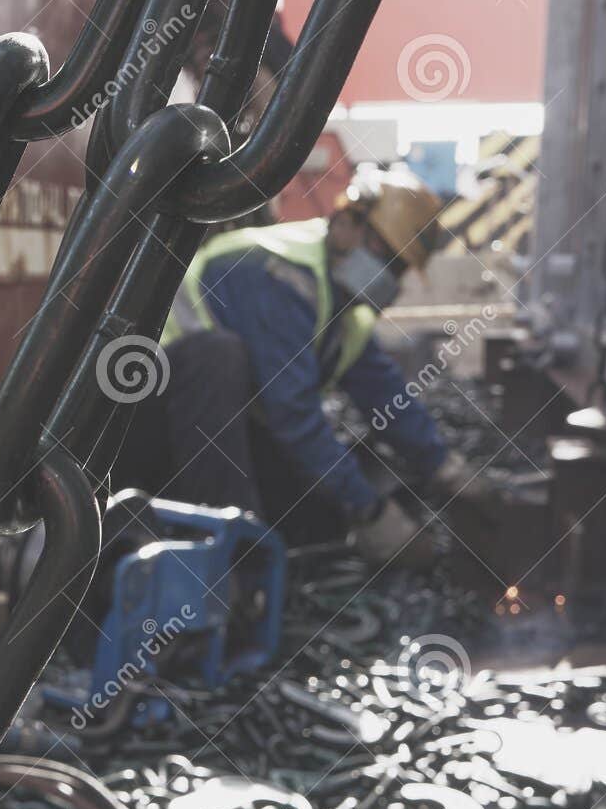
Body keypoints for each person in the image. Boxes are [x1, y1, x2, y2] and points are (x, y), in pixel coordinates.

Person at [112, 168, 491, 569]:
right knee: (220, 357)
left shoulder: (341, 308)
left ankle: (263, 562)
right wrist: (369, 512)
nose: (387, 276)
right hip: (135, 429)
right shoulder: (280, 274)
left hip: (204, 437)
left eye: (397, 268)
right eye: (384, 255)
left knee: (318, 511)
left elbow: (383, 392)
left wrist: (445, 469)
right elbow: (294, 415)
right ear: (346, 223)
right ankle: (234, 560)